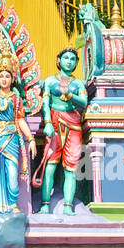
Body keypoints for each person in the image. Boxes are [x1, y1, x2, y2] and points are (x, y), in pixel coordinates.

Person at [0, 55, 36, 213]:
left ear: (13, 78)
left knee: (12, 175)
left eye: (7, 76)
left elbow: (20, 120)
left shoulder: (15, 98)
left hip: (11, 138)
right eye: (1, 76)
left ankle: (13, 204)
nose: (4, 79)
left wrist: (31, 139)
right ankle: (1, 206)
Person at [38, 47, 89, 215]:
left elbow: (83, 102)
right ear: (58, 61)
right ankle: (45, 204)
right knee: (50, 166)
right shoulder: (51, 81)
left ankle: (68, 205)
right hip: (53, 122)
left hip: (73, 125)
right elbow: (45, 103)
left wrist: (70, 95)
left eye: (73, 59)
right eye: (66, 57)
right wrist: (47, 123)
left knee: (71, 169)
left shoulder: (78, 83)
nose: (69, 61)